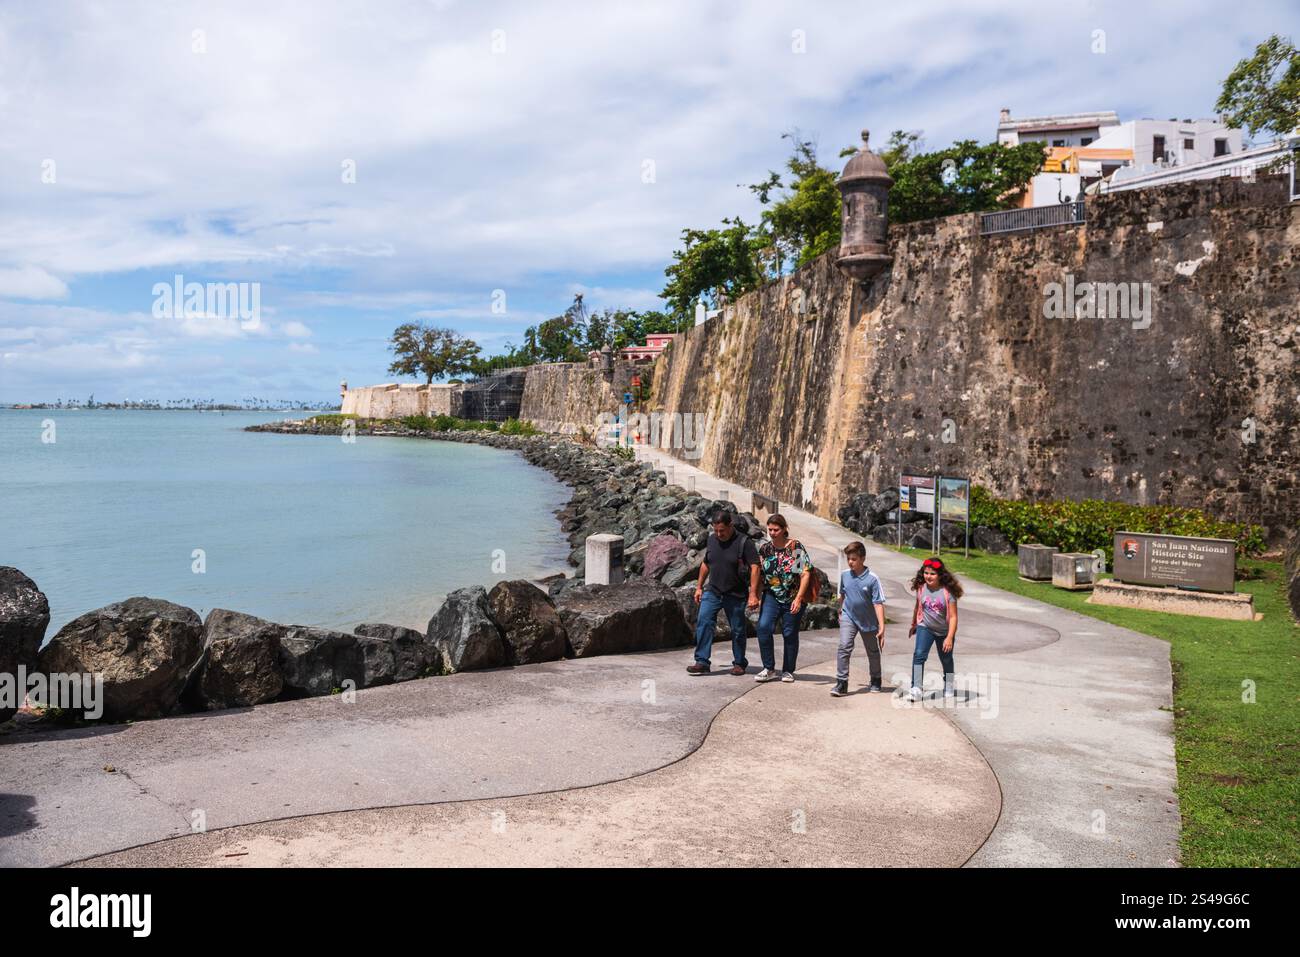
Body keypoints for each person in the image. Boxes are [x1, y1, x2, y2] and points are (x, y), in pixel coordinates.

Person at [687, 509, 760, 676]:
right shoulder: (712, 540)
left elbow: (756, 567)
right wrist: (699, 587)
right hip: (713, 590)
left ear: (730, 525)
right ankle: (702, 661)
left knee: (738, 629)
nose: (719, 534)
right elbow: (706, 564)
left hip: (735, 593)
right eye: (716, 530)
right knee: (704, 622)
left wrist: (753, 594)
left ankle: (740, 662)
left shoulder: (744, 542)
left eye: (722, 530)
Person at [753, 513, 812, 684]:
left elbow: (805, 573)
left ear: (784, 529)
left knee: (789, 633)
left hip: (793, 596)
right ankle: (769, 668)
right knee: (763, 628)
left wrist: (799, 598)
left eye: (776, 529)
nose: (772, 533)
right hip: (772, 595)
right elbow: (760, 573)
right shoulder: (765, 549)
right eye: (770, 529)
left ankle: (788, 670)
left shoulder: (795, 547)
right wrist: (755, 595)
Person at [831, 541, 886, 697]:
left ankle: (876, 678)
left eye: (854, 559)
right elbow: (842, 594)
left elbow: (878, 604)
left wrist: (882, 626)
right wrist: (841, 610)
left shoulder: (873, 579)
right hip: (849, 616)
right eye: (848, 558)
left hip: (868, 620)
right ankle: (842, 683)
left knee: (873, 651)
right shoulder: (845, 575)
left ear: (863, 559)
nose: (850, 562)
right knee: (844, 646)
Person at [906, 557, 963, 701]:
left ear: (940, 575)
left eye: (932, 574)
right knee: (919, 655)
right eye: (926, 573)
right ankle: (916, 688)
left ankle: (949, 684)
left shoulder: (948, 593)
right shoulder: (921, 588)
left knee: (946, 659)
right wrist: (914, 624)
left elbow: (954, 617)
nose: (928, 576)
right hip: (925, 626)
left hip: (944, 631)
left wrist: (949, 637)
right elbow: (918, 607)